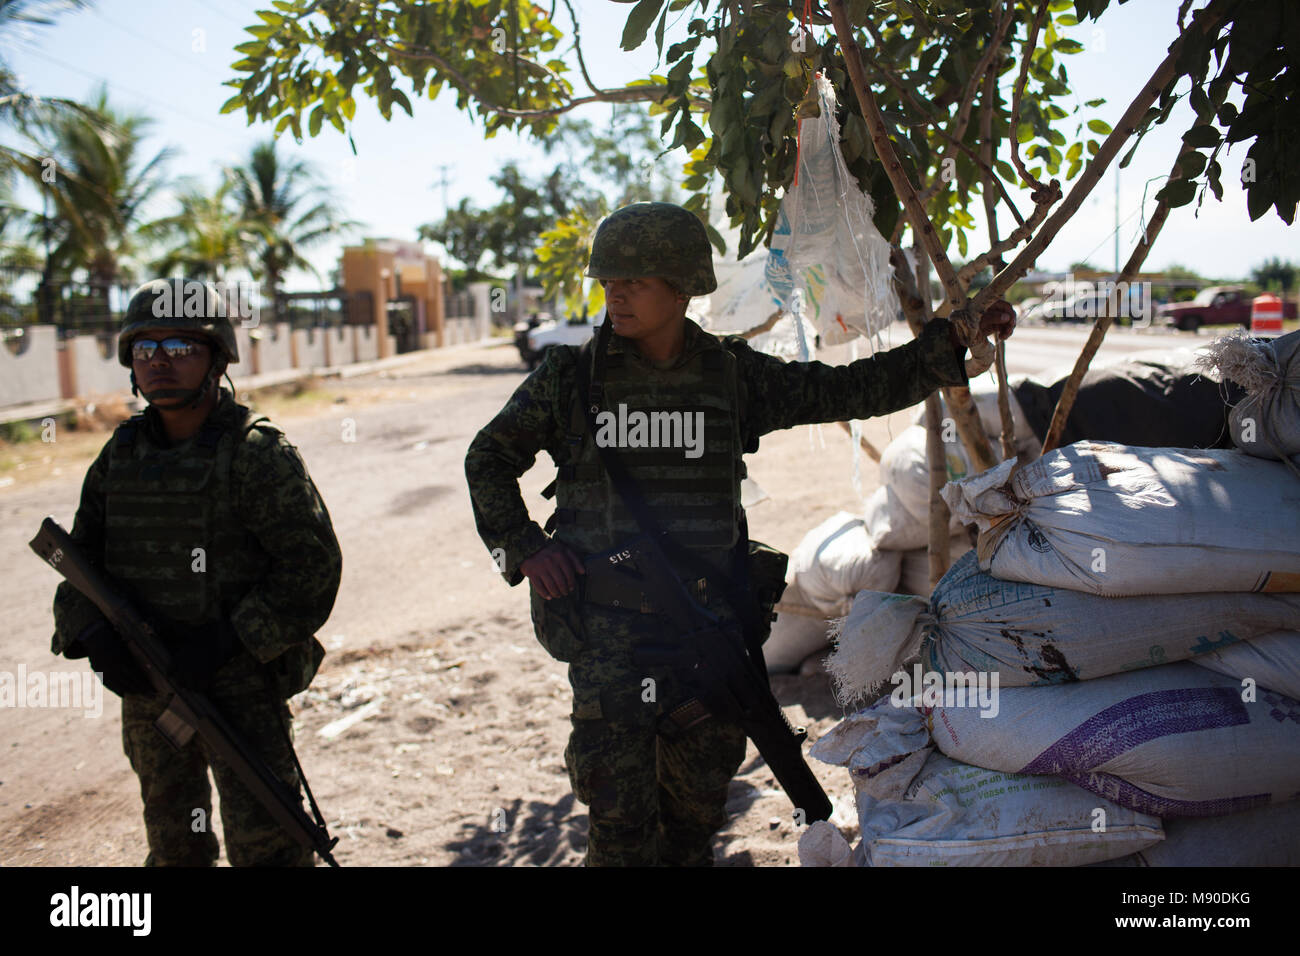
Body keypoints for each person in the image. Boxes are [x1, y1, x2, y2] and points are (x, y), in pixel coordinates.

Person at [465, 202, 1015, 866]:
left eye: (634, 282)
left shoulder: (731, 375)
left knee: (697, 816)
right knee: (619, 825)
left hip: (708, 627)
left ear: (681, 286)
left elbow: (848, 389)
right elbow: (488, 459)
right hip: (610, 639)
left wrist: (948, 347)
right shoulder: (571, 379)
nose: (616, 296)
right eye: (608, 282)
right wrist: (525, 547)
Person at [51, 278, 343, 867]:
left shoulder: (256, 452)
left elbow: (311, 569)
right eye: (144, 349)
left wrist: (227, 641)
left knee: (270, 845)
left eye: (180, 347)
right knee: (174, 845)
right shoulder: (122, 455)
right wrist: (94, 637)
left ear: (216, 358)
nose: (159, 362)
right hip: (150, 686)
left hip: (237, 691)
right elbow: (75, 562)